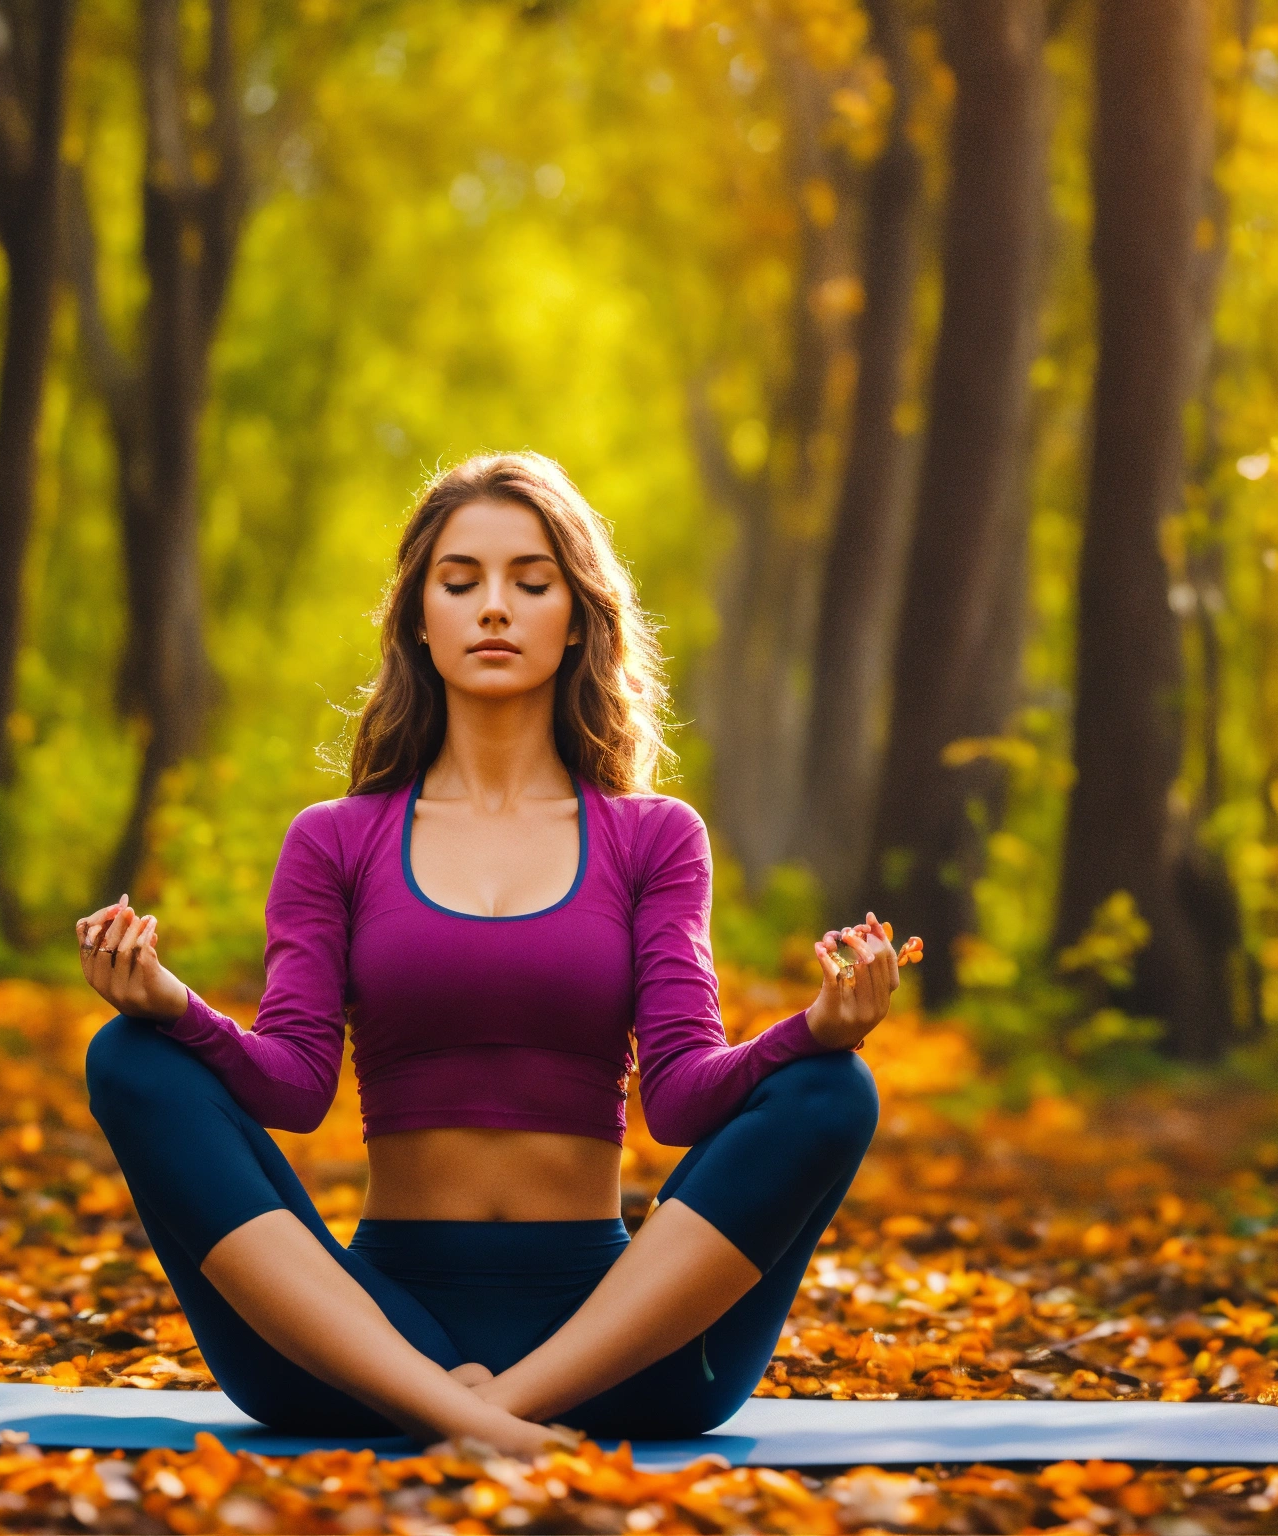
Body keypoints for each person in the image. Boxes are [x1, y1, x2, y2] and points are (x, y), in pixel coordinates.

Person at [73, 452, 912, 1455]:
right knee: (127, 1057)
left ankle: (487, 1415)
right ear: (419, 620)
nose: (496, 609)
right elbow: (293, 1089)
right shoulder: (335, 839)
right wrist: (169, 1004)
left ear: (578, 616)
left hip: (618, 1350)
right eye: (461, 582)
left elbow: (681, 1100)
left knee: (835, 1088)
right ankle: (460, 1410)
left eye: (531, 580)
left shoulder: (655, 837)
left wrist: (817, 1028)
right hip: (362, 1341)